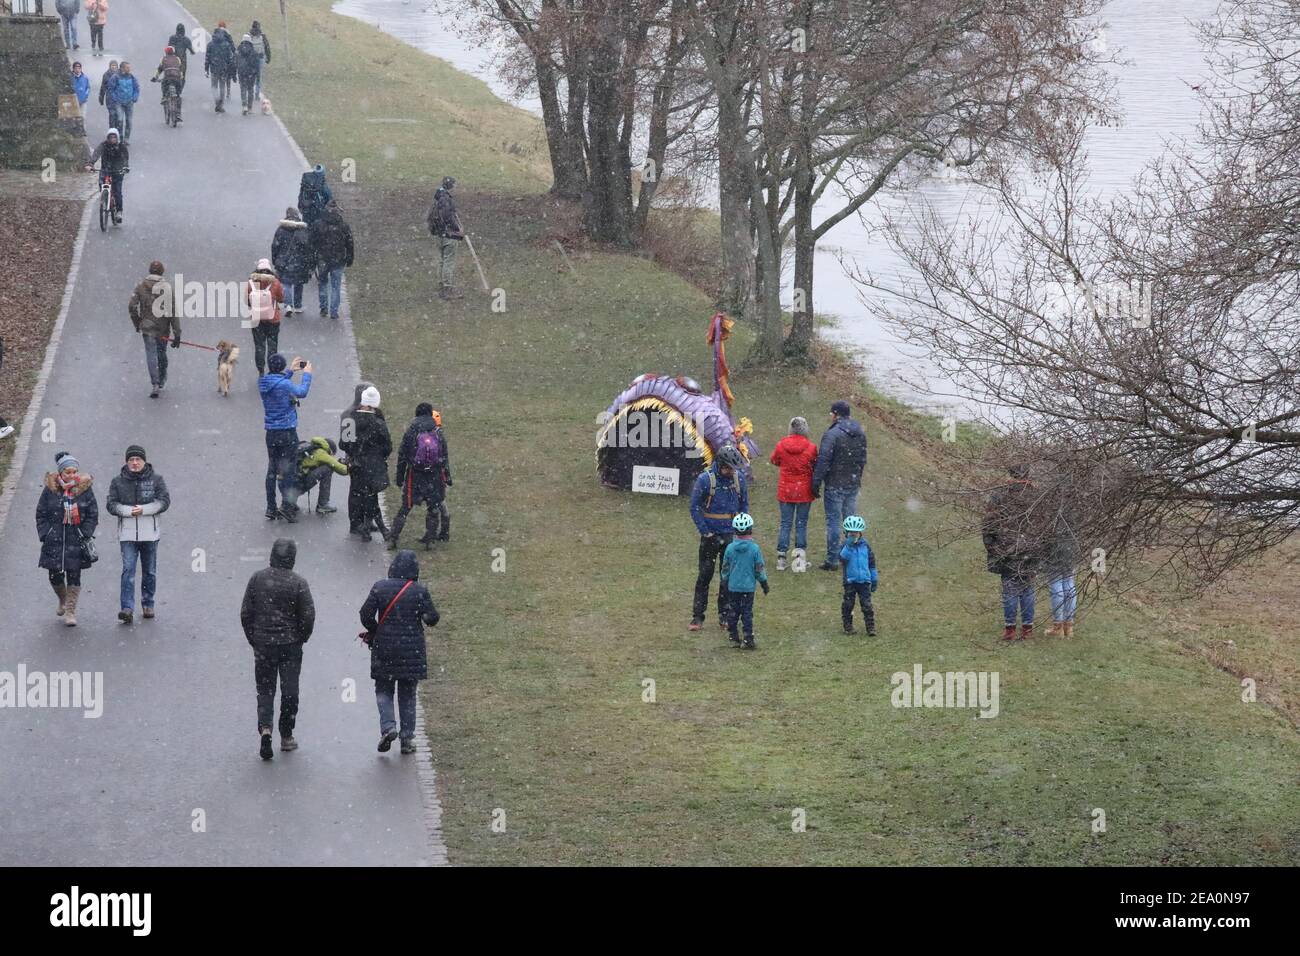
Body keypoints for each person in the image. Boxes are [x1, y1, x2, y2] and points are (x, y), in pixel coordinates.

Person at [240, 538, 315, 759]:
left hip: (264, 644)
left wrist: (254, 638)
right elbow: (308, 616)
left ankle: (265, 728)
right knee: (290, 690)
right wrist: (301, 637)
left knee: (265, 689)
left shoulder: (257, 579)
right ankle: (286, 734)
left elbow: (246, 613)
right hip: (290, 645)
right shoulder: (299, 583)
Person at [360, 550, 439, 754]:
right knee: (408, 695)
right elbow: (432, 618)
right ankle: (407, 739)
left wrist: (375, 629)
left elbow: (365, 613)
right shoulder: (419, 590)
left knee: (383, 690)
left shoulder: (380, 587)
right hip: (411, 650)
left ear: (393, 567)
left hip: (384, 648)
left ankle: (388, 727)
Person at [105, 445, 170, 624]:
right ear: (126, 462)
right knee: (128, 570)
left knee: (149, 571)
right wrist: (127, 511)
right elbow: (111, 505)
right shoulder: (117, 482)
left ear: (144, 461)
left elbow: (164, 501)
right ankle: (127, 608)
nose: (134, 463)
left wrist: (144, 510)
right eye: (131, 460)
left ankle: (148, 603)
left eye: (137, 460)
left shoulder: (156, 480)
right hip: (127, 536)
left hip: (150, 534)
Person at [688, 443, 749, 632]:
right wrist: (705, 531)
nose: (733, 472)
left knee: (728, 578)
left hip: (731, 536)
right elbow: (694, 507)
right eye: (730, 468)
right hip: (710, 536)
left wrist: (741, 532)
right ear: (721, 464)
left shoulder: (739, 480)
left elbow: (744, 506)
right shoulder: (705, 480)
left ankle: (725, 615)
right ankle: (698, 617)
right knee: (704, 576)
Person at [36, 451, 98, 628]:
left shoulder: (84, 490)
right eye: (67, 472)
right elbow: (41, 513)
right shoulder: (50, 490)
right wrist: (45, 533)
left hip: (75, 539)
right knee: (54, 575)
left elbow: (93, 513)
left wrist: (85, 532)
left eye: (73, 472)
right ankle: (62, 599)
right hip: (54, 540)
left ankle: (70, 611)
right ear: (61, 473)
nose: (71, 475)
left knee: (74, 575)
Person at [982, 464, 1041, 640]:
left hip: (1005, 550)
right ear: (1028, 474)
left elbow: (988, 523)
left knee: (1009, 590)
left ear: (1011, 474)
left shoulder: (999, 495)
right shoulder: (1037, 495)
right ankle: (1027, 629)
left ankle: (1010, 630)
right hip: (1030, 549)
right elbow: (1045, 523)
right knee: (1027, 589)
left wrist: (993, 547)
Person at [812, 400, 867, 571]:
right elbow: (862, 459)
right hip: (852, 483)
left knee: (833, 523)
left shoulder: (832, 434)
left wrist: (816, 483)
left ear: (836, 414)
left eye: (831, 414)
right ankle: (850, 555)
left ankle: (833, 560)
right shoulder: (860, 432)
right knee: (850, 521)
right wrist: (857, 477)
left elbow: (823, 461)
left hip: (835, 484)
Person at [389, 403, 452, 550]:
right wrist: (448, 477)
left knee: (405, 508)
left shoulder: (412, 430)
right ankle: (430, 540)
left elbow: (402, 455)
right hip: (435, 476)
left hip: (414, 476)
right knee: (433, 509)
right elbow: (444, 456)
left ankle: (393, 538)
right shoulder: (437, 432)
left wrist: (399, 477)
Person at [258, 353, 312, 522]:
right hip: (287, 431)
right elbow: (302, 392)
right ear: (281, 367)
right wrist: (307, 374)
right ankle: (287, 507)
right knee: (288, 471)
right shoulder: (286, 385)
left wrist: (289, 372)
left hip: (271, 433)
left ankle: (270, 507)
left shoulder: (263, 383)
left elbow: (278, 385)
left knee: (272, 470)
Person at [340, 387, 391, 541]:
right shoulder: (379, 423)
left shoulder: (350, 419)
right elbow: (388, 447)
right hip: (374, 466)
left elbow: (343, 444)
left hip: (356, 464)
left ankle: (359, 525)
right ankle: (379, 529)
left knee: (357, 494)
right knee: (371, 495)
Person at [769, 415, 818, 571]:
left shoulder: (781, 445)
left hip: (786, 491)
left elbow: (774, 460)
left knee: (785, 523)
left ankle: (781, 559)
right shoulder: (811, 447)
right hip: (804, 491)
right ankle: (799, 561)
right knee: (801, 524)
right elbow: (815, 464)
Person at [127, 260, 180, 398]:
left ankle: (155, 383)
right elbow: (173, 311)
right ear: (162, 272)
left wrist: (137, 322)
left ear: (150, 271)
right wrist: (177, 333)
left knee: (151, 354)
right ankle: (162, 378)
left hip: (147, 327)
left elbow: (132, 306)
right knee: (161, 353)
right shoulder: (167, 287)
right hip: (163, 329)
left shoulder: (140, 286)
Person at [720, 512, 768, 649]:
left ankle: (733, 636)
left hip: (733, 587)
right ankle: (748, 638)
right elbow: (759, 568)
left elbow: (725, 567)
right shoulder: (754, 549)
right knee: (747, 612)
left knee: (733, 611)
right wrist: (764, 582)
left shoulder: (729, 548)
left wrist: (725, 580)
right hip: (748, 588)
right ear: (751, 529)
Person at [309, 200, 354, 320]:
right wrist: (350, 257)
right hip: (338, 260)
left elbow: (311, 243)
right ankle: (334, 311)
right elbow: (349, 243)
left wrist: (312, 259)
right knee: (336, 286)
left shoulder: (318, 224)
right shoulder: (343, 225)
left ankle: (323, 308)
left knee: (323, 283)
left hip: (322, 259)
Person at [838, 515, 878, 636]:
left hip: (864, 581)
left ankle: (870, 627)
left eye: (856, 533)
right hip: (850, 581)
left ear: (861, 533)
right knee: (848, 604)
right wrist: (849, 546)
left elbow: (871, 562)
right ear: (846, 533)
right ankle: (848, 626)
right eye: (851, 533)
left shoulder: (865, 546)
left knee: (867, 605)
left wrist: (874, 576)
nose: (854, 535)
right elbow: (842, 559)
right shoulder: (845, 546)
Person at [426, 176, 465, 299]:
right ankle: (447, 289)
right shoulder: (446, 200)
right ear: (451, 186)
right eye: (455, 185)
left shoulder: (437, 198)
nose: (456, 188)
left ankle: (442, 287)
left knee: (442, 261)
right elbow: (448, 217)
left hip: (438, 235)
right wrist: (458, 229)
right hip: (448, 235)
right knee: (448, 262)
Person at [1043, 504, 1079, 637]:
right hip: (1072, 545)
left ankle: (1058, 626)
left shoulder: (1055, 501)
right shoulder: (1079, 501)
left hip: (1056, 546)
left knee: (1056, 582)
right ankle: (1068, 626)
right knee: (1069, 582)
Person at [271, 208, 314, 315]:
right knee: (299, 284)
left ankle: (288, 304)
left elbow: (275, 246)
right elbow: (308, 248)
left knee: (286, 284)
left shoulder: (281, 230)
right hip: (300, 261)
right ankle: (298, 306)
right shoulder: (302, 230)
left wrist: (275, 259)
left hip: (284, 261)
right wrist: (310, 263)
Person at [245, 258, 285, 375]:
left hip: (257, 319)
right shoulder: (275, 283)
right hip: (273, 319)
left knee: (259, 345)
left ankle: (260, 369)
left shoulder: (251, 283)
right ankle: (273, 370)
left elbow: (247, 300)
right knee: (272, 345)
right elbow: (281, 298)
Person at [84, 128, 128, 224]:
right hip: (106, 169)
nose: (112, 139)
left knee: (117, 191)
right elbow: (96, 154)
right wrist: (90, 164)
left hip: (118, 171)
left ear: (117, 138)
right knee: (102, 185)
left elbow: (125, 159)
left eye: (114, 137)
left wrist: (125, 167)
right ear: (107, 138)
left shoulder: (121, 147)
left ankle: (119, 211)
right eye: (110, 137)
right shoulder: (103, 145)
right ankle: (105, 197)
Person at [294, 436, 347, 515]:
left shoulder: (310, 447)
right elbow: (342, 470)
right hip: (299, 485)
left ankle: (289, 502)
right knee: (328, 468)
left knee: (303, 472)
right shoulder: (321, 452)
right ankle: (323, 504)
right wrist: (351, 467)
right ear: (329, 449)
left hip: (288, 485)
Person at [204, 21, 237, 113]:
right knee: (222, 87)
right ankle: (221, 104)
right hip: (223, 69)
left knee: (214, 87)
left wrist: (206, 69)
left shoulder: (210, 45)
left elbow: (207, 58)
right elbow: (230, 59)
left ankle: (217, 102)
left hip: (214, 69)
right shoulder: (226, 45)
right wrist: (232, 69)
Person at [151, 46, 185, 124]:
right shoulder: (177, 59)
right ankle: (178, 114)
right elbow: (181, 69)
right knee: (178, 96)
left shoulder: (163, 59)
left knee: (164, 86)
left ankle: (164, 98)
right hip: (177, 79)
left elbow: (159, 69)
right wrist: (181, 77)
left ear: (166, 52)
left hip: (167, 78)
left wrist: (154, 78)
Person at [108, 61, 139, 144]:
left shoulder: (132, 77)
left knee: (129, 121)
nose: (129, 69)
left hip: (129, 102)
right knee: (119, 120)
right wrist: (115, 98)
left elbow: (136, 88)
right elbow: (111, 89)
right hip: (119, 103)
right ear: (122, 68)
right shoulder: (115, 77)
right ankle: (120, 137)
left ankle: (126, 138)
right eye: (127, 67)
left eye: (129, 67)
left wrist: (134, 97)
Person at [235, 33, 260, 115]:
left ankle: (244, 106)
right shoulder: (254, 52)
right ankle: (250, 108)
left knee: (243, 89)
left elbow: (236, 63)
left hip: (242, 73)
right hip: (251, 74)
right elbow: (257, 65)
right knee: (250, 90)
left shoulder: (238, 51)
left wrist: (236, 72)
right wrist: (257, 75)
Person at [249, 20, 271, 99]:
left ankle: (250, 92)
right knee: (259, 77)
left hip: (251, 59)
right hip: (260, 58)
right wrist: (268, 58)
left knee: (251, 76)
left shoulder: (248, 35)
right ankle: (257, 94)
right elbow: (267, 47)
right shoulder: (262, 35)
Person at [98, 59, 119, 129]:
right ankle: (112, 130)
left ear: (117, 66)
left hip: (119, 99)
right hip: (109, 99)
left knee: (118, 116)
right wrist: (101, 97)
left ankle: (117, 130)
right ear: (110, 66)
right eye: (112, 65)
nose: (114, 67)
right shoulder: (106, 75)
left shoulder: (121, 74)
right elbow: (103, 86)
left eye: (115, 65)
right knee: (112, 115)